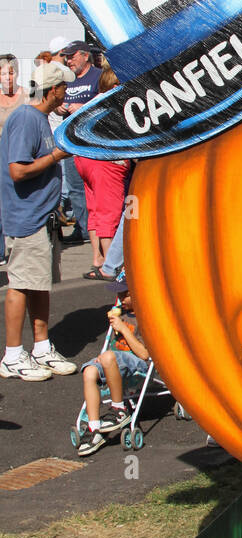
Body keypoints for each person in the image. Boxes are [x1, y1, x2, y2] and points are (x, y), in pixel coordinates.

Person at [0, 60, 78, 380]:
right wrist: (56, 156)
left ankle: (41, 347)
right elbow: (17, 170)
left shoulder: (40, 117)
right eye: (63, 88)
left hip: (41, 216)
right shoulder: (26, 118)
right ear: (53, 90)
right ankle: (13, 355)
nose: (66, 93)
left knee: (38, 284)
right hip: (27, 218)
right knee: (20, 283)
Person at [74, 66, 131, 279]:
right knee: (111, 212)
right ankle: (110, 264)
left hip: (83, 160)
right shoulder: (112, 104)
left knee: (95, 210)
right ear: (116, 86)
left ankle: (97, 257)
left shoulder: (91, 103)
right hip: (105, 162)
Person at [78, 287, 148, 455]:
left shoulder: (146, 318)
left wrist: (123, 328)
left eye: (127, 295)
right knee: (89, 370)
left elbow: (144, 354)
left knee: (108, 356)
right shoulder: (119, 314)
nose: (121, 298)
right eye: (119, 294)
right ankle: (94, 429)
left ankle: (119, 409)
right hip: (114, 359)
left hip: (136, 362)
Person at [55, 42, 101, 247]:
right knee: (75, 188)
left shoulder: (98, 76)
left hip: (92, 144)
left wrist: (83, 107)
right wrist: (59, 108)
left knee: (96, 189)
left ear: (85, 56)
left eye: (72, 56)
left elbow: (107, 103)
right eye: (66, 56)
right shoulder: (68, 80)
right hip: (71, 144)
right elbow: (56, 104)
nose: (69, 60)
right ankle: (82, 227)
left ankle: (102, 230)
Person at [0, 54, 25, 263]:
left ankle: (19, 241)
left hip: (20, 156)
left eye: (11, 72)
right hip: (1, 156)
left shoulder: (27, 96)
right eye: (3, 74)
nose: (8, 78)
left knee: (17, 200)